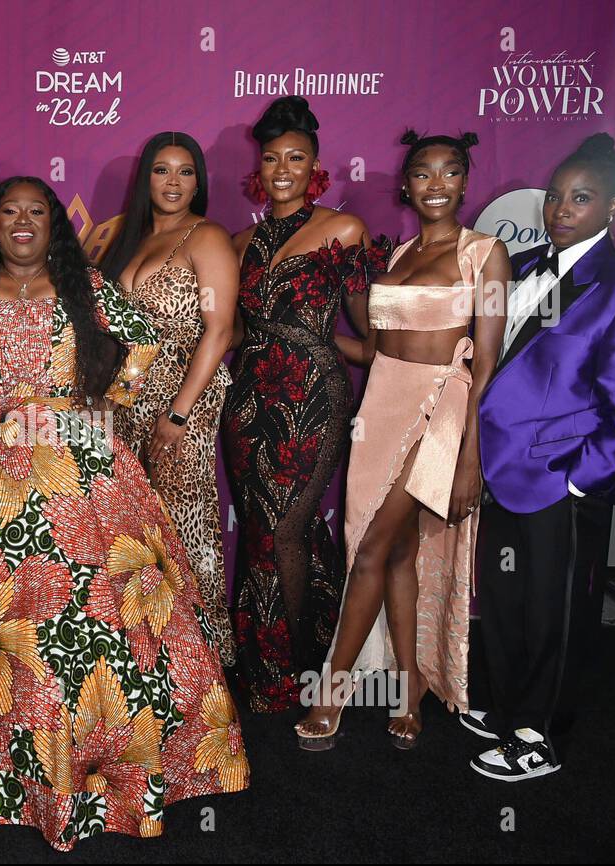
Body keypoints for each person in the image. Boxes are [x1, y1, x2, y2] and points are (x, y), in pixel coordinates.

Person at [0, 177, 248, 851]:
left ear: (53, 226)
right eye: (9, 211)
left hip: (77, 458)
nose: (22, 222)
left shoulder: (86, 286)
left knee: (89, 605)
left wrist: (106, 400)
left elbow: (143, 340)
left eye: (36, 212)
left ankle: (96, 762)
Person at [469, 133, 615, 780]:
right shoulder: (528, 266)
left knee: (554, 612)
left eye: (580, 199)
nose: (560, 209)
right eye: (556, 196)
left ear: (613, 206)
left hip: (559, 481)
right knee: (504, 602)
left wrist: (582, 483)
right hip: (502, 470)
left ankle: (539, 736)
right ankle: (507, 708)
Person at [295, 131, 509, 750]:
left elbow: (488, 363)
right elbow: (375, 351)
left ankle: (331, 696)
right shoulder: (393, 257)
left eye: (449, 173)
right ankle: (407, 687)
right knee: (395, 554)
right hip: (381, 405)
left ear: (465, 182)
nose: (436, 184)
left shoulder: (485, 255)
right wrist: (307, 332)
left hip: (440, 411)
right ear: (407, 184)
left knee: (367, 550)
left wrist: (470, 455)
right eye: (423, 173)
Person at [224, 96, 383, 712]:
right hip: (248, 398)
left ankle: (299, 669)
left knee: (287, 530)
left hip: (314, 398)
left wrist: (313, 343)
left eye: (296, 158)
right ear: (257, 170)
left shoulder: (343, 231)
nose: (282, 168)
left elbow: (369, 343)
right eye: (271, 158)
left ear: (316, 166)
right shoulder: (237, 243)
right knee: (262, 531)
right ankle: (272, 661)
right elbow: (234, 331)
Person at [100, 131, 237, 663]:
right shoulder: (132, 240)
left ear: (199, 181)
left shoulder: (207, 237)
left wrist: (178, 414)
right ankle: (150, 659)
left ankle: (206, 660)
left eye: (185, 171)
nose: (174, 181)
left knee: (187, 525)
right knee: (136, 532)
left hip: (186, 399)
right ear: (146, 178)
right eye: (162, 170)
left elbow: (219, 331)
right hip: (127, 400)